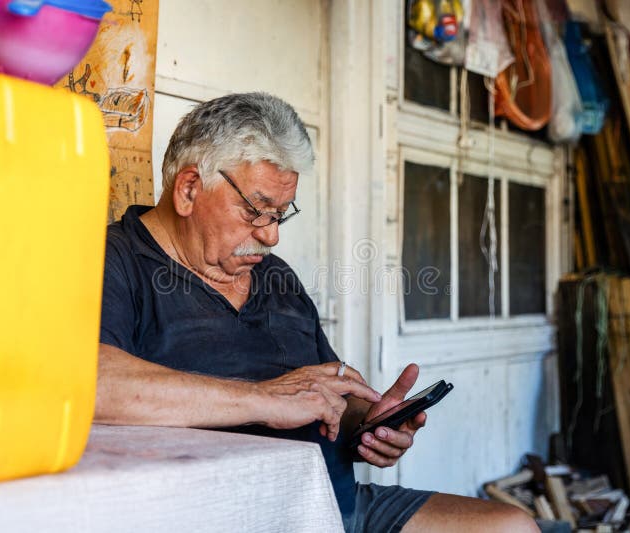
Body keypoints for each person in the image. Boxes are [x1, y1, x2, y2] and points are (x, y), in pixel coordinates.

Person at [96, 92, 539, 533]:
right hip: (228, 515)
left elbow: (317, 396)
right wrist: (263, 398)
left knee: (511, 525)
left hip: (332, 503)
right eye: (255, 211)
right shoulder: (115, 259)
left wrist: (367, 425)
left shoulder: (276, 276)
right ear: (190, 189)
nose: (270, 237)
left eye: (279, 216)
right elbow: (93, 384)